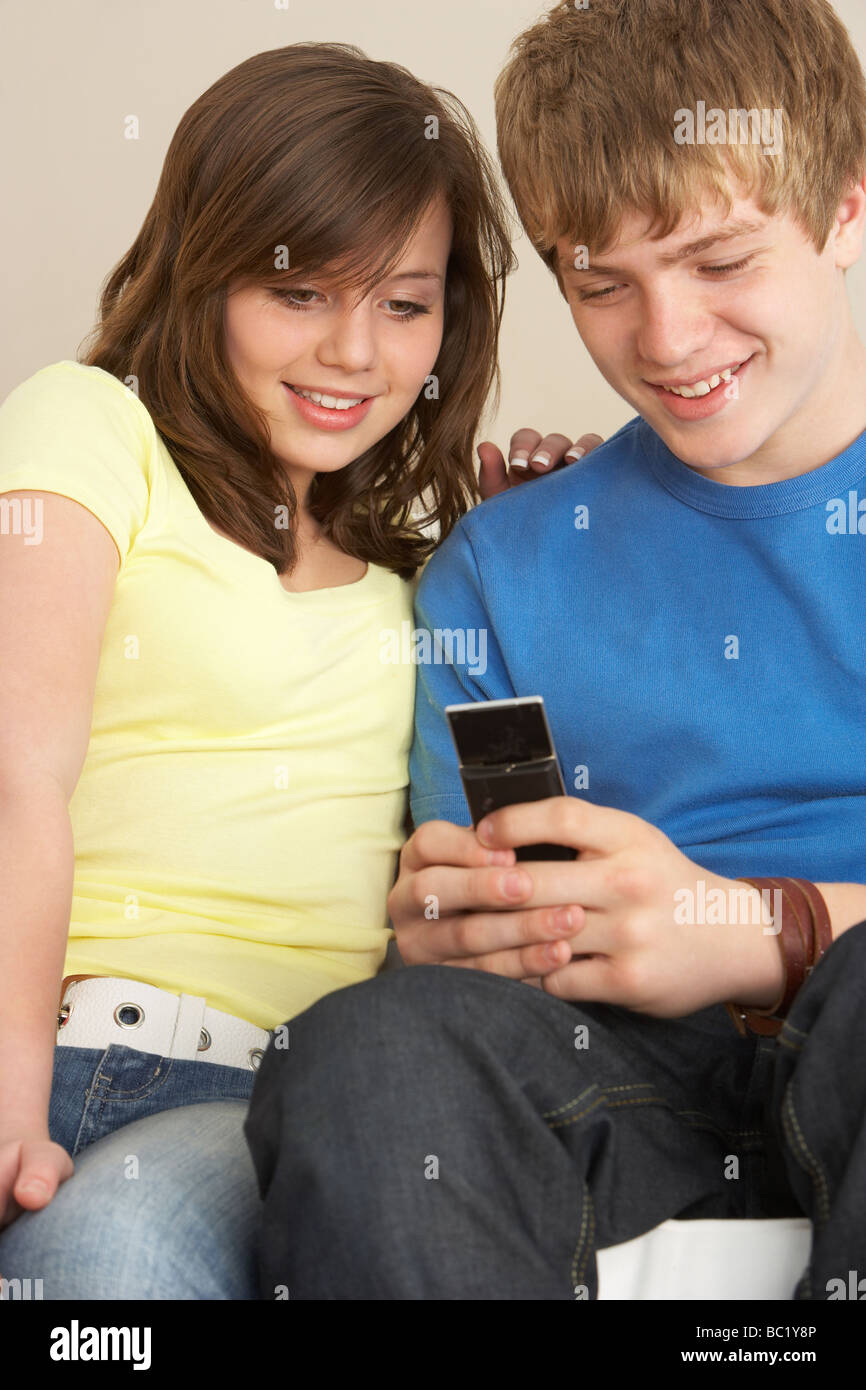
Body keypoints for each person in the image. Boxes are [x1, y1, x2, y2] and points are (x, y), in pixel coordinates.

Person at [244, 0, 866, 1300]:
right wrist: (459, 925)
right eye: (600, 282)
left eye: (718, 260)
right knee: (367, 1046)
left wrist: (765, 931)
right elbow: (463, 941)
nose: (665, 337)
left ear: (847, 205)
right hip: (625, 1068)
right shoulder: (505, 563)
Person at [0, 41, 589, 1300]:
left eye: (402, 303)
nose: (354, 355)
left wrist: (553, 540)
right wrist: (8, 1094)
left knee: (101, 1266)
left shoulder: (424, 573)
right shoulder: (90, 425)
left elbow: (472, 888)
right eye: (303, 292)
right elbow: (18, 775)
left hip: (276, 1098)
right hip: (51, 1044)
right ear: (202, 270)